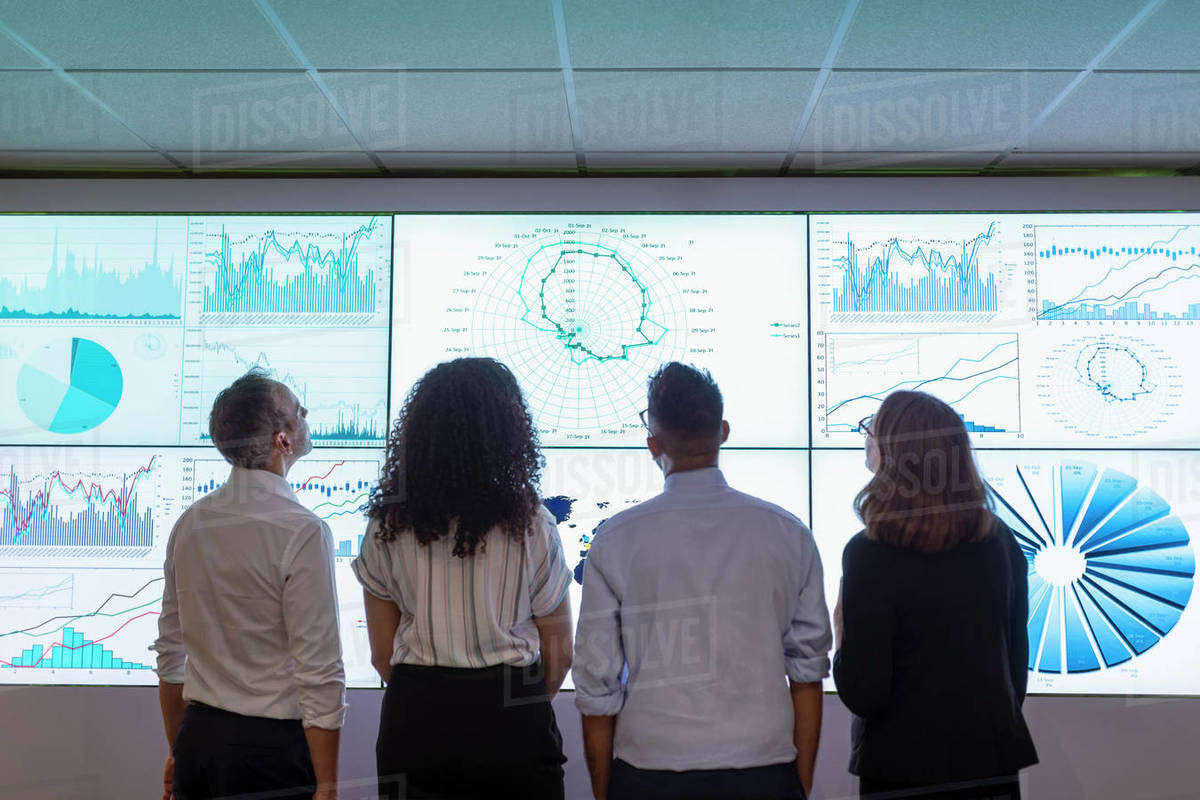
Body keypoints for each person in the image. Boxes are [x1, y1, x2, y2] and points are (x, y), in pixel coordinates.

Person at [573, 362, 831, 800]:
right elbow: (807, 673)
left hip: (649, 776)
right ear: (724, 431)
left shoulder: (616, 539)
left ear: (653, 445)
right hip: (765, 773)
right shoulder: (789, 533)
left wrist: (604, 793)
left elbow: (596, 688)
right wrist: (800, 784)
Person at [353, 357, 572, 800]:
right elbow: (560, 655)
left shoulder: (386, 524)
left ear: (419, 433)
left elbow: (381, 655)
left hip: (417, 721)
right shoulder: (533, 524)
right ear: (508, 432)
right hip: (513, 719)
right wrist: (515, 708)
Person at [833, 390, 1038, 799]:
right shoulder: (1000, 542)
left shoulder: (869, 553)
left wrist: (842, 632)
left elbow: (865, 693)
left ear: (897, 454)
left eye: (871, 430)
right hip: (990, 767)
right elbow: (1015, 675)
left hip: (900, 772)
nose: (866, 439)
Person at [155, 368, 345, 800]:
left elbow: (170, 655)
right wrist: (329, 786)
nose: (307, 416)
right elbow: (320, 670)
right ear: (283, 440)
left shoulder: (190, 524)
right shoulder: (303, 531)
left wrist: (178, 750)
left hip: (198, 742)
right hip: (271, 754)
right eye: (300, 412)